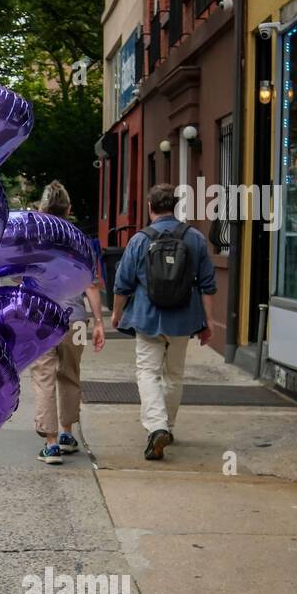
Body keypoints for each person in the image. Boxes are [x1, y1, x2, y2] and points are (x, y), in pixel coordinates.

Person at [111, 182, 217, 461]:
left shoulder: (139, 239)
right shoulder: (194, 237)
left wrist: (116, 313)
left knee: (147, 372)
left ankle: (157, 426)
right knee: (174, 374)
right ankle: (167, 426)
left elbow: (123, 283)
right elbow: (207, 284)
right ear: (175, 206)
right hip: (183, 318)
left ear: (150, 207)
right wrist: (208, 322)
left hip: (147, 315)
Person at [28, 181, 105, 464]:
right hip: (77, 321)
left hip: (42, 319)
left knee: (43, 376)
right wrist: (98, 322)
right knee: (71, 374)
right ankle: (66, 433)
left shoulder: (34, 241)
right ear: (69, 209)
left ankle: (50, 445)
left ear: (42, 208)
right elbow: (92, 286)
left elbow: (17, 278)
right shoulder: (82, 242)